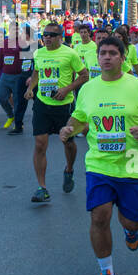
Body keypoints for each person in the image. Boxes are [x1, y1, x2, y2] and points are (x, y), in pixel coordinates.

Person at [59, 35, 138, 275]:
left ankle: (131, 232)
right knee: (99, 216)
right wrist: (68, 129)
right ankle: (106, 272)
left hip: (132, 162)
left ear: (122, 57)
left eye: (111, 53)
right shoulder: (89, 89)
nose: (106, 57)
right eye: (102, 53)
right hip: (99, 163)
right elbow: (79, 119)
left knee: (131, 222)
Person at [24, 22, 88, 202]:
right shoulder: (38, 53)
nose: (48, 38)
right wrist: (31, 88)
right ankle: (42, 187)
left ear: (61, 37)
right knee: (39, 144)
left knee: (68, 143)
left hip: (64, 106)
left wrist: (67, 89)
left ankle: (69, 169)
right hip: (42, 104)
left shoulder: (70, 53)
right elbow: (37, 72)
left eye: (52, 35)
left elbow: (84, 75)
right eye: (45, 34)